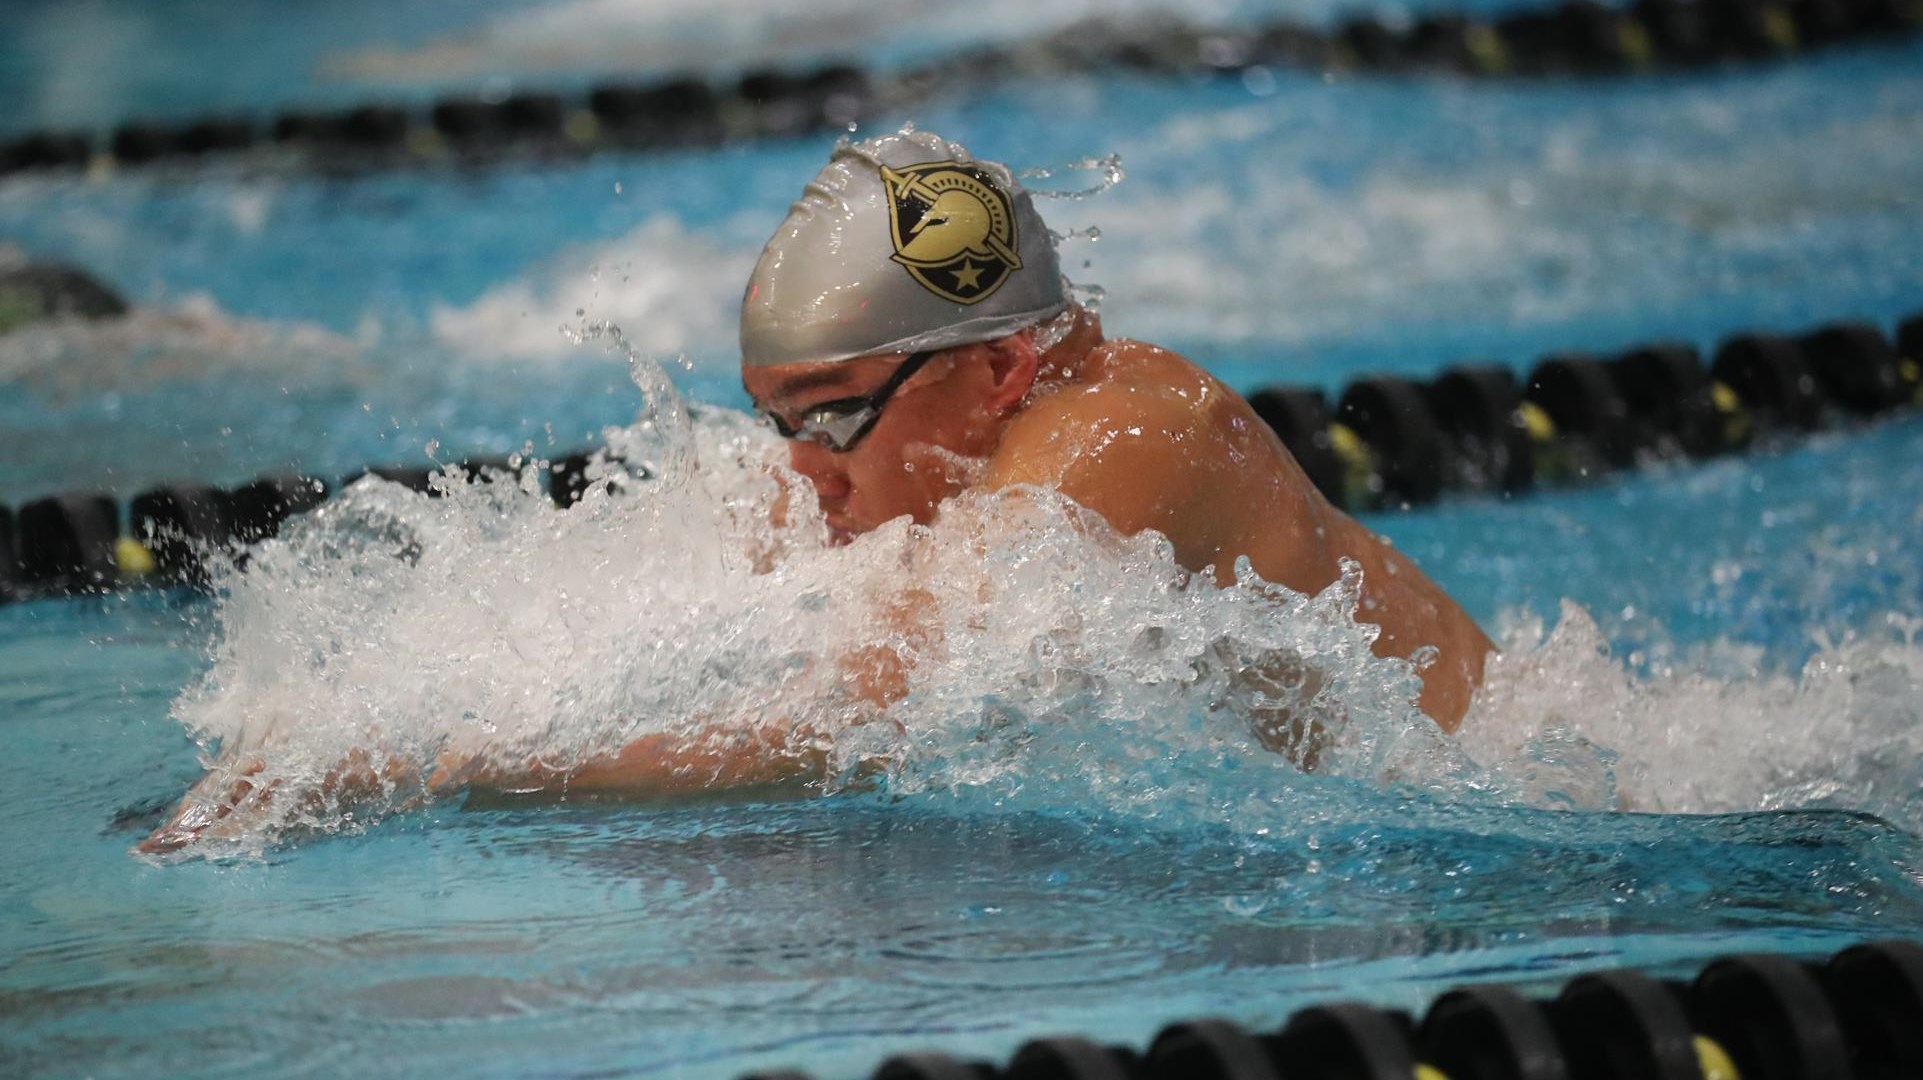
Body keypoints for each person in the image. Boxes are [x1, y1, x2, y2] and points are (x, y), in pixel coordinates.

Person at [139, 130, 1491, 854]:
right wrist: (342, 716)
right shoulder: (936, 444)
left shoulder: (1119, 445)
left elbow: (863, 714)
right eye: (776, 419)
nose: (801, 466)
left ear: (1003, 364)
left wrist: (447, 774)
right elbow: (626, 606)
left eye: (834, 414)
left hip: (1519, 797)